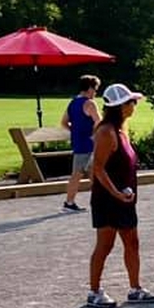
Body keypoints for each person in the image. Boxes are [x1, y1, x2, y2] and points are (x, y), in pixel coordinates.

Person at [86, 84, 154, 308]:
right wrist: (116, 193)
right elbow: (97, 169)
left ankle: (135, 288)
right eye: (131, 102)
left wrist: (123, 194)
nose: (134, 105)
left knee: (132, 243)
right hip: (108, 199)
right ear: (120, 107)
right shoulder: (106, 131)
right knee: (105, 245)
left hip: (125, 199)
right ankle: (94, 291)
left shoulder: (121, 131)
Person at [61, 75, 101, 212]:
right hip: (88, 144)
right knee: (78, 174)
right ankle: (69, 202)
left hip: (78, 142)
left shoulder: (72, 103)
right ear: (90, 88)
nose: (96, 92)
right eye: (95, 89)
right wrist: (93, 135)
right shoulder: (90, 103)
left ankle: (99, 200)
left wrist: (76, 130)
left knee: (93, 173)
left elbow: (64, 122)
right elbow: (99, 122)